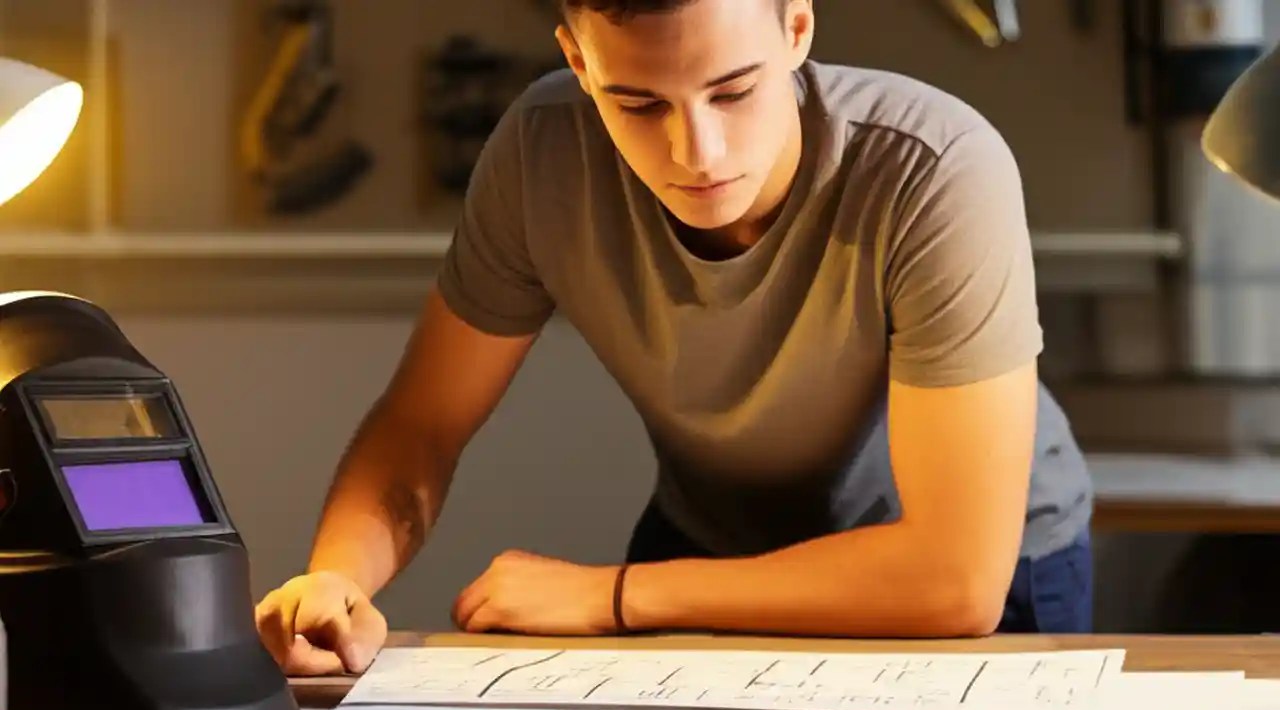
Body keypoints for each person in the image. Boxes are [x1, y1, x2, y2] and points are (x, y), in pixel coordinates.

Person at [254, 0, 1095, 676]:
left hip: (975, 566)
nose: (698, 152)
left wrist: (612, 597)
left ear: (797, 26)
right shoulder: (541, 157)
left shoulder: (936, 167)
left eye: (733, 91)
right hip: (709, 545)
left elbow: (953, 580)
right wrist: (336, 578)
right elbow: (421, 427)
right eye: (639, 102)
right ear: (579, 64)